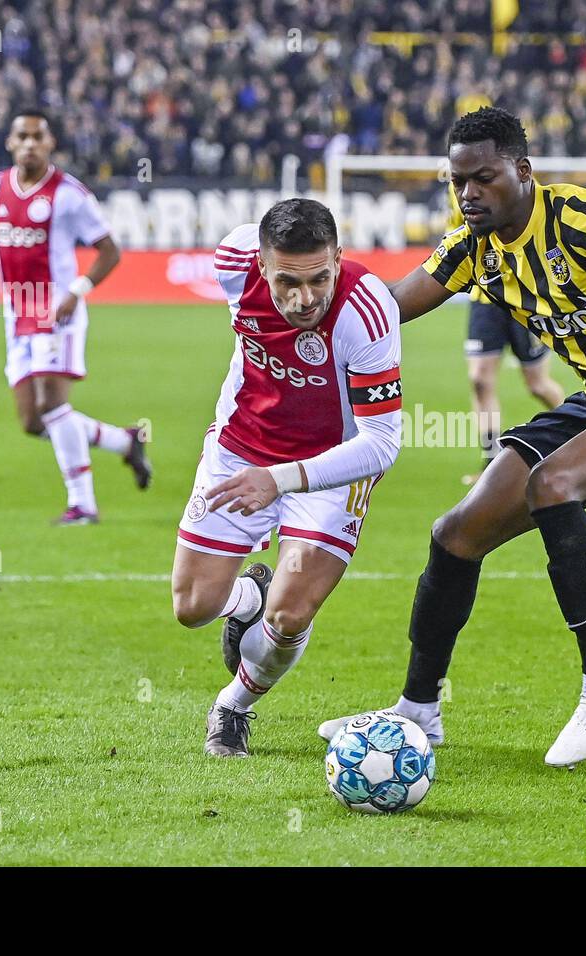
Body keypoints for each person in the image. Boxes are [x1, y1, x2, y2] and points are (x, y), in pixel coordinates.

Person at [321, 107, 586, 768]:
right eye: (458, 182)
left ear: (523, 172)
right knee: (455, 535)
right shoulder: (472, 247)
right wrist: (309, 309)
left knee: (553, 483)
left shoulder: (577, 220)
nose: (469, 193)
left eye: (484, 178)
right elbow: (391, 303)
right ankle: (419, 710)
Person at [170, 198, 403, 758]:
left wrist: (282, 479)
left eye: (320, 279)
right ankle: (244, 601)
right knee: (193, 607)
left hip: (329, 467)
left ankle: (232, 706)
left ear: (339, 258)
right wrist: (262, 469)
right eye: (287, 284)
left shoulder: (365, 311)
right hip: (239, 450)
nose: (305, 299)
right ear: (261, 263)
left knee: (291, 611)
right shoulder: (232, 259)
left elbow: (381, 444)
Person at [0, 109, 150, 524]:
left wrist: (77, 292)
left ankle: (82, 504)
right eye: (22, 136)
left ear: (50, 143)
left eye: (38, 137)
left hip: (57, 311)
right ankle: (124, 442)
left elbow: (110, 251)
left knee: (52, 404)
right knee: (32, 420)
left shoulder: (69, 195)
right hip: (16, 314)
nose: (30, 144)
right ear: (10, 143)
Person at [446, 189, 564, 483]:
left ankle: (584, 434)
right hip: (483, 297)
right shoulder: (455, 189)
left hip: (522, 297)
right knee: (480, 380)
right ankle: (490, 461)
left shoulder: (506, 182)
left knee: (537, 384)